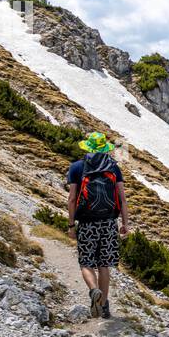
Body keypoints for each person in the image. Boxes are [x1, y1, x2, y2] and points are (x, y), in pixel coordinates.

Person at [66, 132, 129, 319]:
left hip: (86, 223)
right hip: (109, 223)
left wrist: (71, 225)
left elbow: (71, 199)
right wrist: (124, 223)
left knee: (86, 262)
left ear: (87, 147)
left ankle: (94, 290)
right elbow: (122, 199)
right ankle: (104, 306)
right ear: (104, 148)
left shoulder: (77, 167)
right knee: (104, 266)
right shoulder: (114, 167)